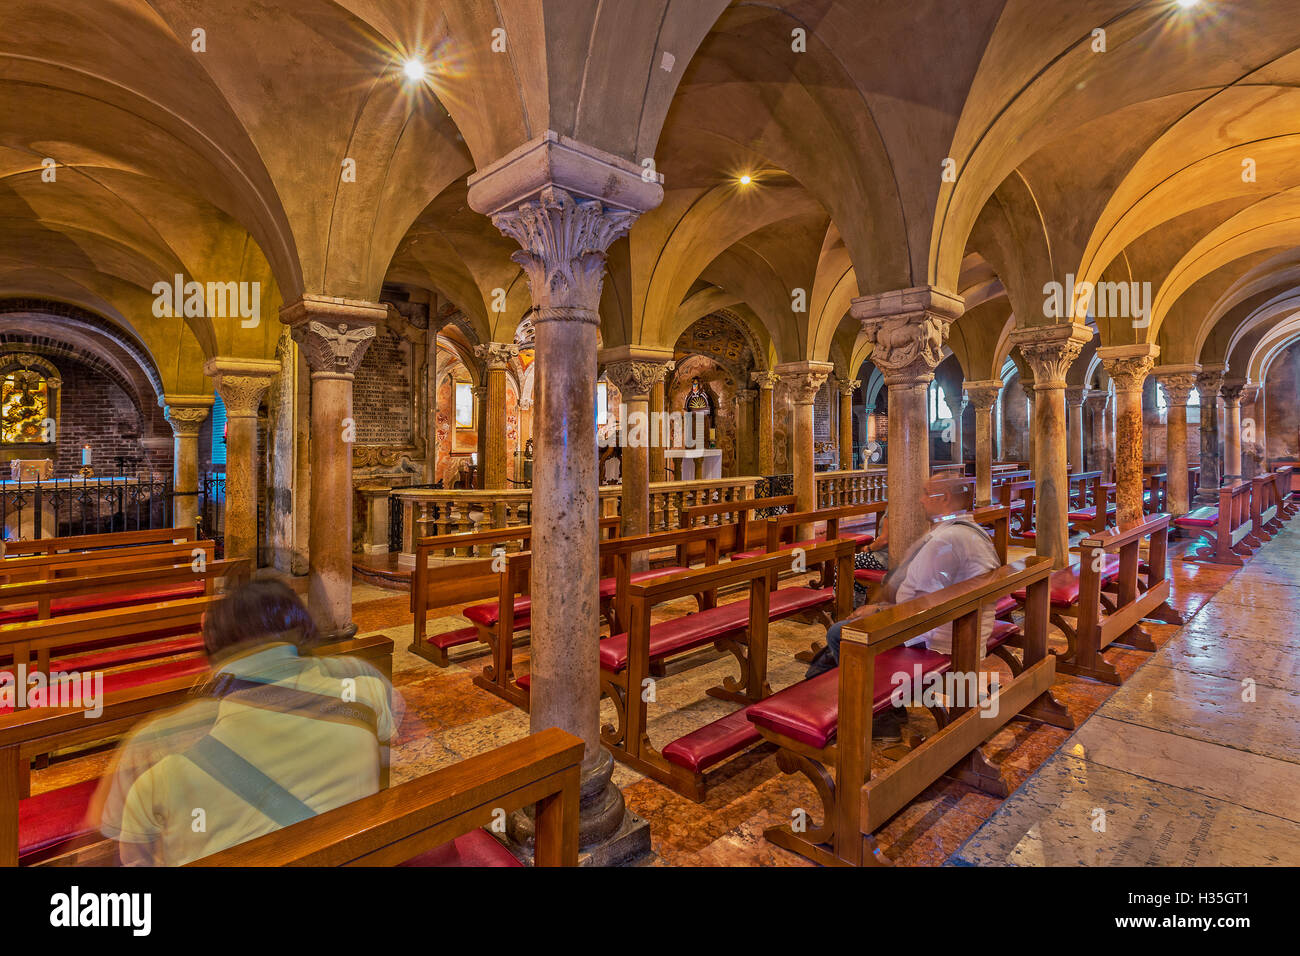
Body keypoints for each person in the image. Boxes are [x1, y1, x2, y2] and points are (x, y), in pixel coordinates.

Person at [95, 577, 398, 866]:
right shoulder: (366, 694)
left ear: (210, 642)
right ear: (304, 633)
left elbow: (132, 858)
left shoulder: (155, 745)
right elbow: (380, 780)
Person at [806, 478, 1000, 740]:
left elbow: (917, 602)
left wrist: (877, 612)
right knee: (837, 644)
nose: (920, 500)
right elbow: (924, 594)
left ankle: (880, 718)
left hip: (937, 638)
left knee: (842, 635)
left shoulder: (947, 539)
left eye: (926, 494)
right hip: (957, 626)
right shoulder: (970, 531)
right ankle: (879, 707)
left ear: (944, 499)